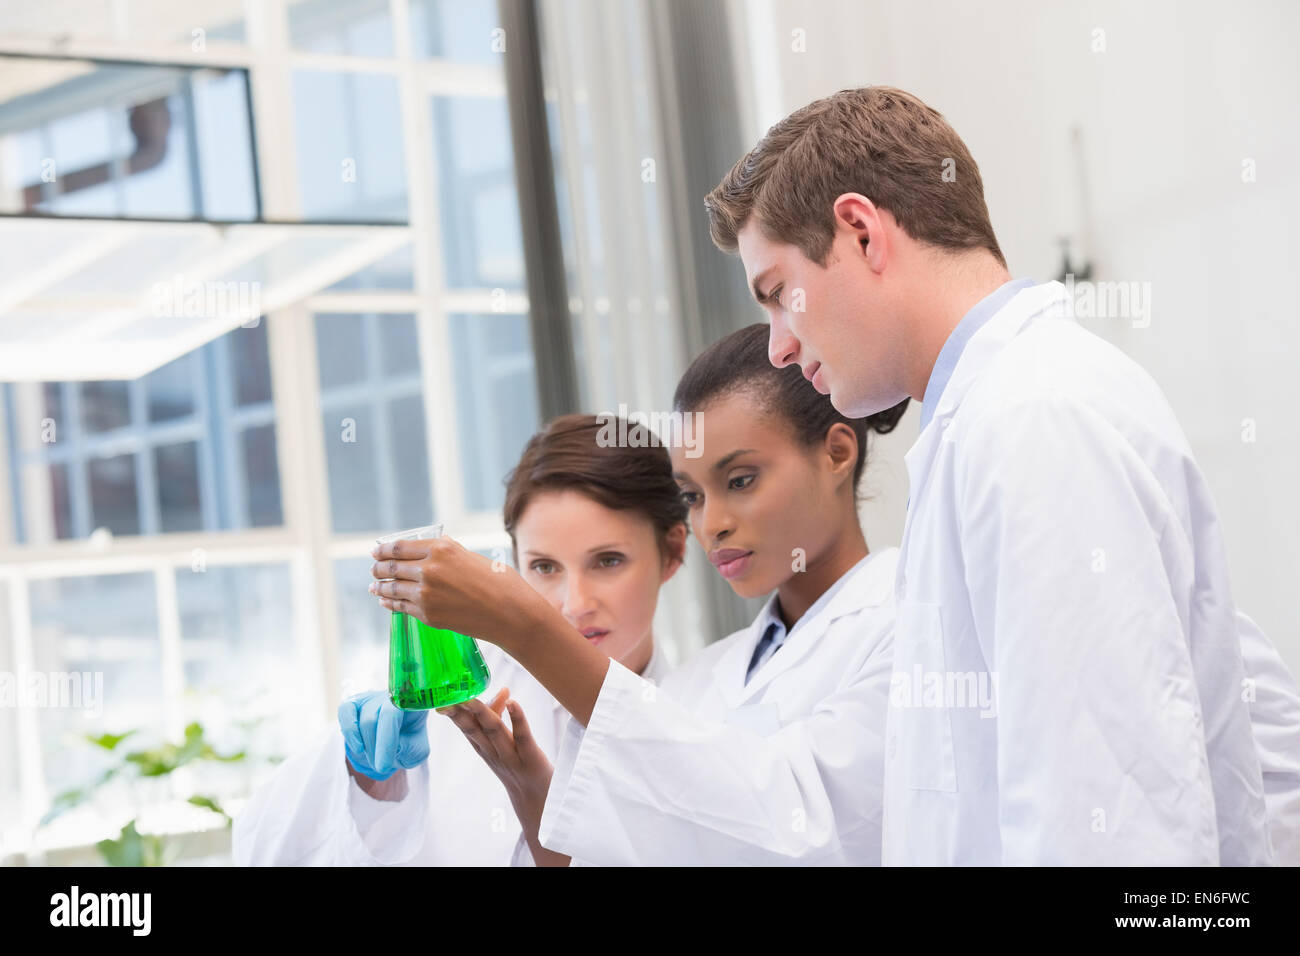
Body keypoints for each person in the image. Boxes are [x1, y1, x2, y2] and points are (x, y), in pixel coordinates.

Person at [702, 84, 1296, 864]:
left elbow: (1106, 815)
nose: (777, 345)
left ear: (859, 231)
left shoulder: (1033, 417)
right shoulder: (996, 415)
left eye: (779, 295)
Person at [375, 324, 909, 865]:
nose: (713, 524)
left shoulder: (906, 628)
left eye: (741, 480)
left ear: (837, 454)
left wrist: (529, 628)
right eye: (692, 496)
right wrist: (532, 790)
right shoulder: (696, 681)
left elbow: (801, 827)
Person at [231, 414, 686, 865]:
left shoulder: (699, 720)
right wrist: (362, 778)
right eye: (545, 567)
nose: (574, 603)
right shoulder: (448, 684)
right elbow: (261, 847)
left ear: (672, 552)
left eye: (608, 561)